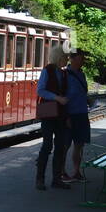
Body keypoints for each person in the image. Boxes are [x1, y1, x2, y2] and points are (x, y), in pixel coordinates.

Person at [35, 47, 71, 190]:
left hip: (61, 114)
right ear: (58, 57)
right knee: (47, 145)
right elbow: (41, 90)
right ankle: (40, 179)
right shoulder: (47, 70)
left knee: (60, 146)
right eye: (65, 57)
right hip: (49, 113)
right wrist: (56, 98)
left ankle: (56, 179)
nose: (67, 60)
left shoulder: (63, 73)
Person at [62, 48, 92, 183]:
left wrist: (87, 100)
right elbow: (62, 97)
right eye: (80, 59)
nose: (82, 62)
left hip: (81, 113)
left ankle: (76, 171)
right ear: (72, 59)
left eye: (83, 59)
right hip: (70, 114)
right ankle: (62, 172)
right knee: (65, 145)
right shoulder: (64, 75)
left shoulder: (82, 74)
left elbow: (82, 92)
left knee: (79, 145)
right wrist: (66, 116)